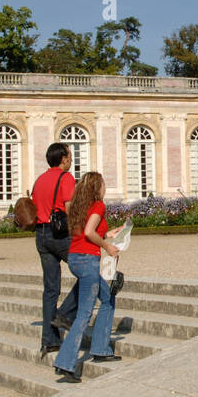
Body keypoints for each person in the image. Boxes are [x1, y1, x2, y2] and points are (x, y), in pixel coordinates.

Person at [52, 171, 122, 384]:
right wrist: (107, 246)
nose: (105, 187)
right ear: (97, 187)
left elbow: (85, 231)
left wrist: (108, 234)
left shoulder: (78, 205)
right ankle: (65, 363)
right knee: (83, 314)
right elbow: (90, 233)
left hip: (75, 258)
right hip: (88, 261)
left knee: (108, 298)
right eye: (103, 184)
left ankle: (101, 349)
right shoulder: (99, 205)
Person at [31, 143, 80, 358]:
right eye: (69, 156)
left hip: (41, 235)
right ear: (62, 158)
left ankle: (49, 340)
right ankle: (65, 314)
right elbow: (70, 209)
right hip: (60, 235)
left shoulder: (39, 180)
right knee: (89, 273)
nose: (71, 159)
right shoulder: (66, 178)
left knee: (50, 289)